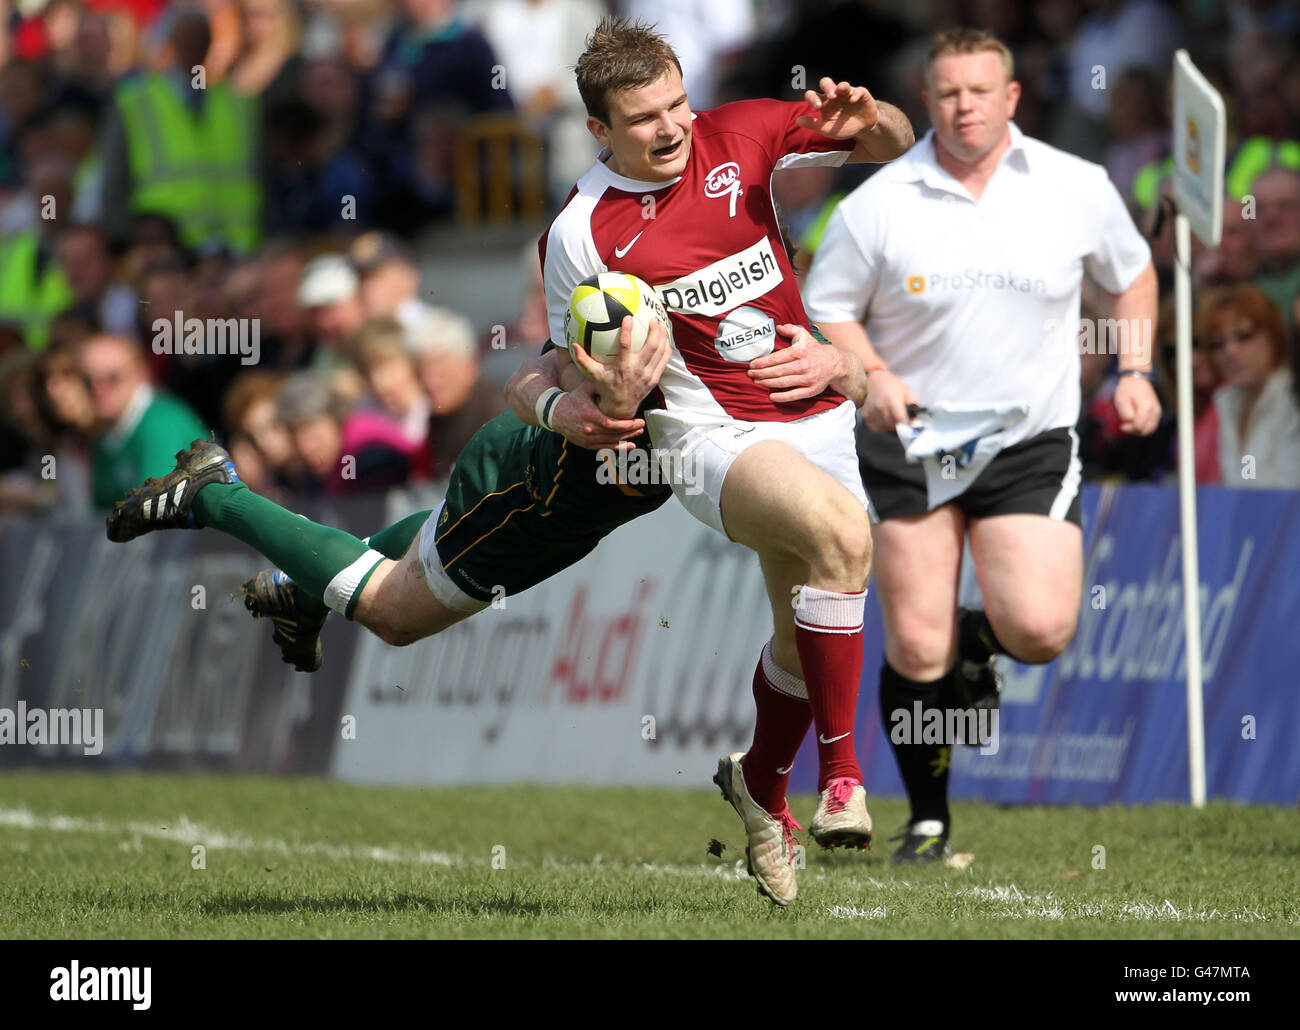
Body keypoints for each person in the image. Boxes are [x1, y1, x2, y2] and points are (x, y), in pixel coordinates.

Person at [507, 17, 912, 906]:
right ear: (600, 131)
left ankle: (760, 786)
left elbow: (894, 143)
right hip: (703, 436)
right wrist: (573, 401)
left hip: (813, 415)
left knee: (803, 638)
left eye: (678, 102)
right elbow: (558, 357)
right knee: (845, 539)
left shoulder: (745, 132)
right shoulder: (580, 230)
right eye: (644, 116)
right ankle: (843, 778)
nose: (672, 126)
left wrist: (870, 111)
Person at [803, 28, 1161, 864]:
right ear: (927, 102)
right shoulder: (880, 201)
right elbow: (828, 305)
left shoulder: (1076, 185)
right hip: (910, 442)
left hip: (1027, 440)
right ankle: (928, 822)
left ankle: (978, 642)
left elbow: (1133, 273)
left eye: (980, 90)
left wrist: (1135, 371)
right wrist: (874, 374)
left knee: (1038, 630)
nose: (964, 105)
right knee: (919, 645)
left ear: (1012, 98)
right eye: (948, 92)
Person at [104, 319, 669, 699]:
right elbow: (535, 373)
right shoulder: (619, 267)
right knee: (394, 614)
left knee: (423, 554)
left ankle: (299, 593)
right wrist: (570, 407)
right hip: (535, 494)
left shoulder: (708, 316)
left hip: (543, 486)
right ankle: (216, 495)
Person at [78, 332, 209, 510]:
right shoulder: (106, 433)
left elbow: (154, 511)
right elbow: (99, 510)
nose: (98, 389)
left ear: (140, 373)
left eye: (112, 378)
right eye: (88, 381)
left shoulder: (161, 424)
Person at [1200, 284, 1300, 488]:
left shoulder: (1293, 396)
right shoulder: (1226, 401)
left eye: (1244, 335)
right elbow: (1245, 480)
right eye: (1217, 343)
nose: (1230, 351)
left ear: (1273, 336)